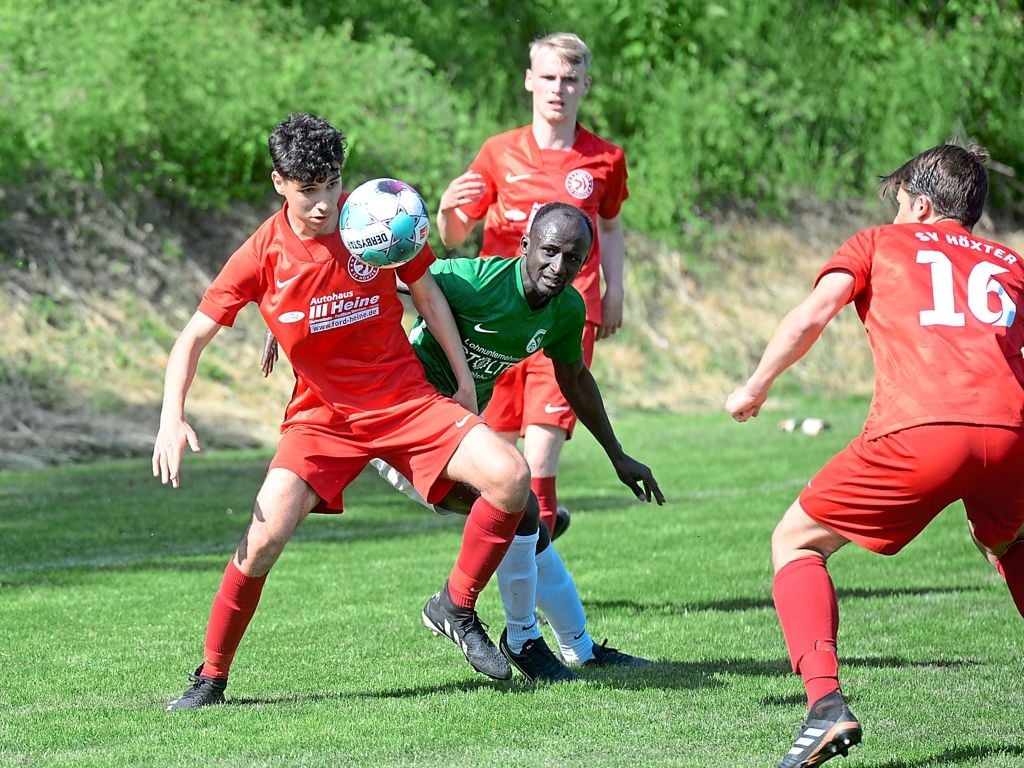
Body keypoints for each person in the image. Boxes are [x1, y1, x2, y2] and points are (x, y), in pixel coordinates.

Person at [153, 112, 533, 711]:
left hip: (404, 399)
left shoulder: (377, 218)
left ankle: (455, 606)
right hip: (321, 419)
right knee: (260, 543)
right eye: (308, 190)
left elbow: (427, 293)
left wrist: (463, 383)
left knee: (512, 478)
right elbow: (191, 338)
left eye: (331, 184)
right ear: (280, 183)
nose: (324, 203)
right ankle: (210, 678)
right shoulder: (260, 254)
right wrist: (171, 417)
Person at [262, 203, 665, 682]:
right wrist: (288, 319)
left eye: (573, 259)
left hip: (453, 428)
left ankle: (573, 647)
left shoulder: (566, 308)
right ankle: (502, 631)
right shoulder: (471, 281)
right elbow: (377, 277)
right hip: (402, 427)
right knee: (519, 509)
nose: (559, 267)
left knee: (525, 515)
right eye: (550, 252)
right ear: (525, 246)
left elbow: (574, 377)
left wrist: (617, 456)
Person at [726, 142, 1024, 768]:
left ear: (918, 203)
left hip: (921, 430)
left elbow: (812, 316)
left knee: (797, 542)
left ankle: (825, 707)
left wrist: (755, 386)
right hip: (1012, 430)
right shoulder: (1008, 262)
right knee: (1010, 543)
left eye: (898, 202)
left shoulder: (877, 243)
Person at [436, 32, 628, 539]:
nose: (557, 89)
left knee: (540, 453)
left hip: (565, 318)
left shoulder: (604, 158)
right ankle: (528, 544)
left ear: (585, 84)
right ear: (529, 80)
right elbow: (457, 234)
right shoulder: (498, 152)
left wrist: (615, 289)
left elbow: (608, 227)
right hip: (495, 325)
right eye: (547, 77)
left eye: (569, 79)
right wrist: (445, 210)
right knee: (494, 456)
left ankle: (536, 581)